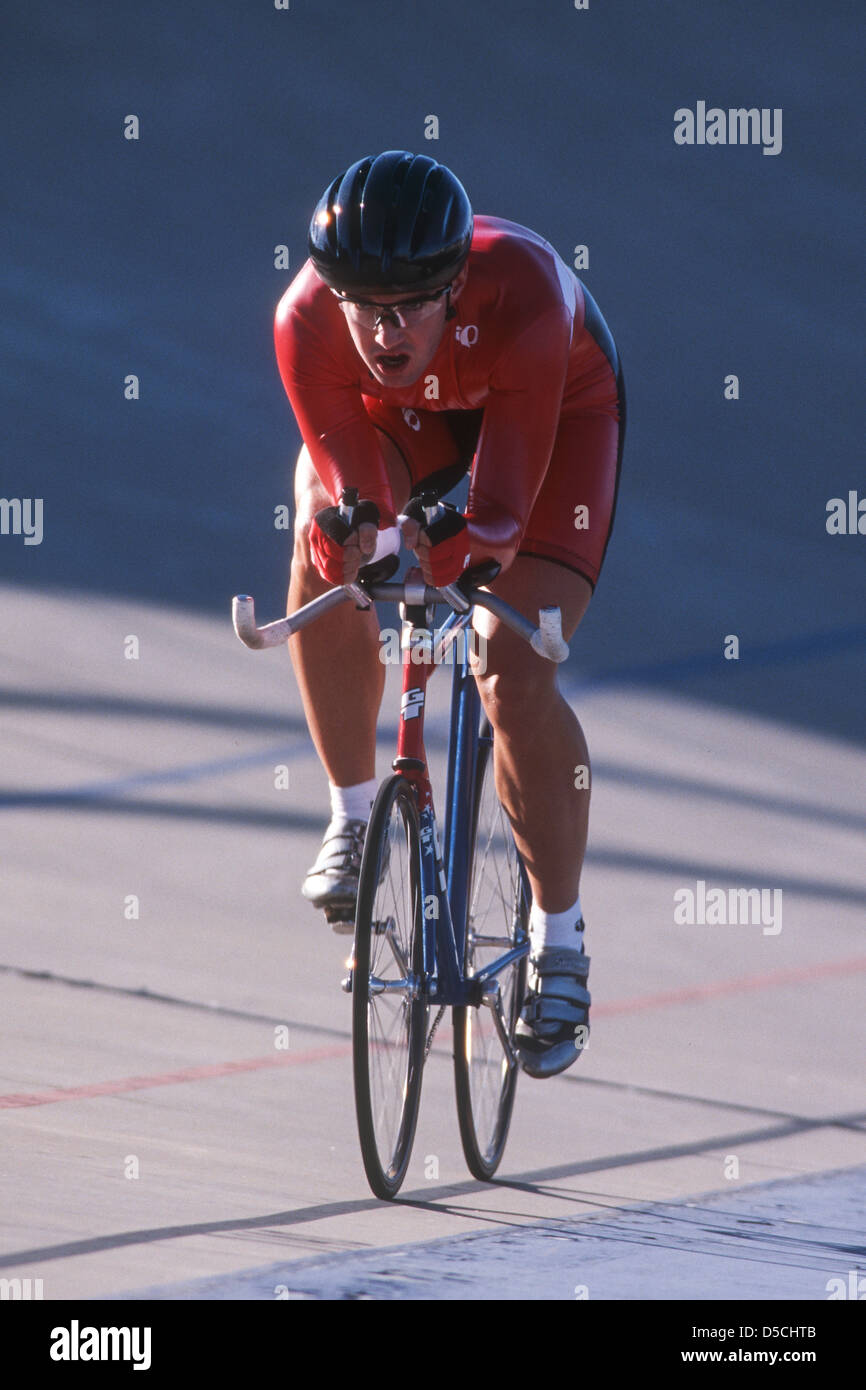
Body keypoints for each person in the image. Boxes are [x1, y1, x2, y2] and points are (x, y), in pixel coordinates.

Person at [273, 151, 625, 1078]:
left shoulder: (524, 294)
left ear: (456, 284)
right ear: (330, 290)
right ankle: (355, 814)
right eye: (365, 306)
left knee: (510, 664)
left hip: (550, 416)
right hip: (407, 424)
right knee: (326, 526)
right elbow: (353, 484)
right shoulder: (304, 320)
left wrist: (461, 546)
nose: (386, 331)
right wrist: (349, 536)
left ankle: (560, 939)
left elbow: (502, 516)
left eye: (413, 306)